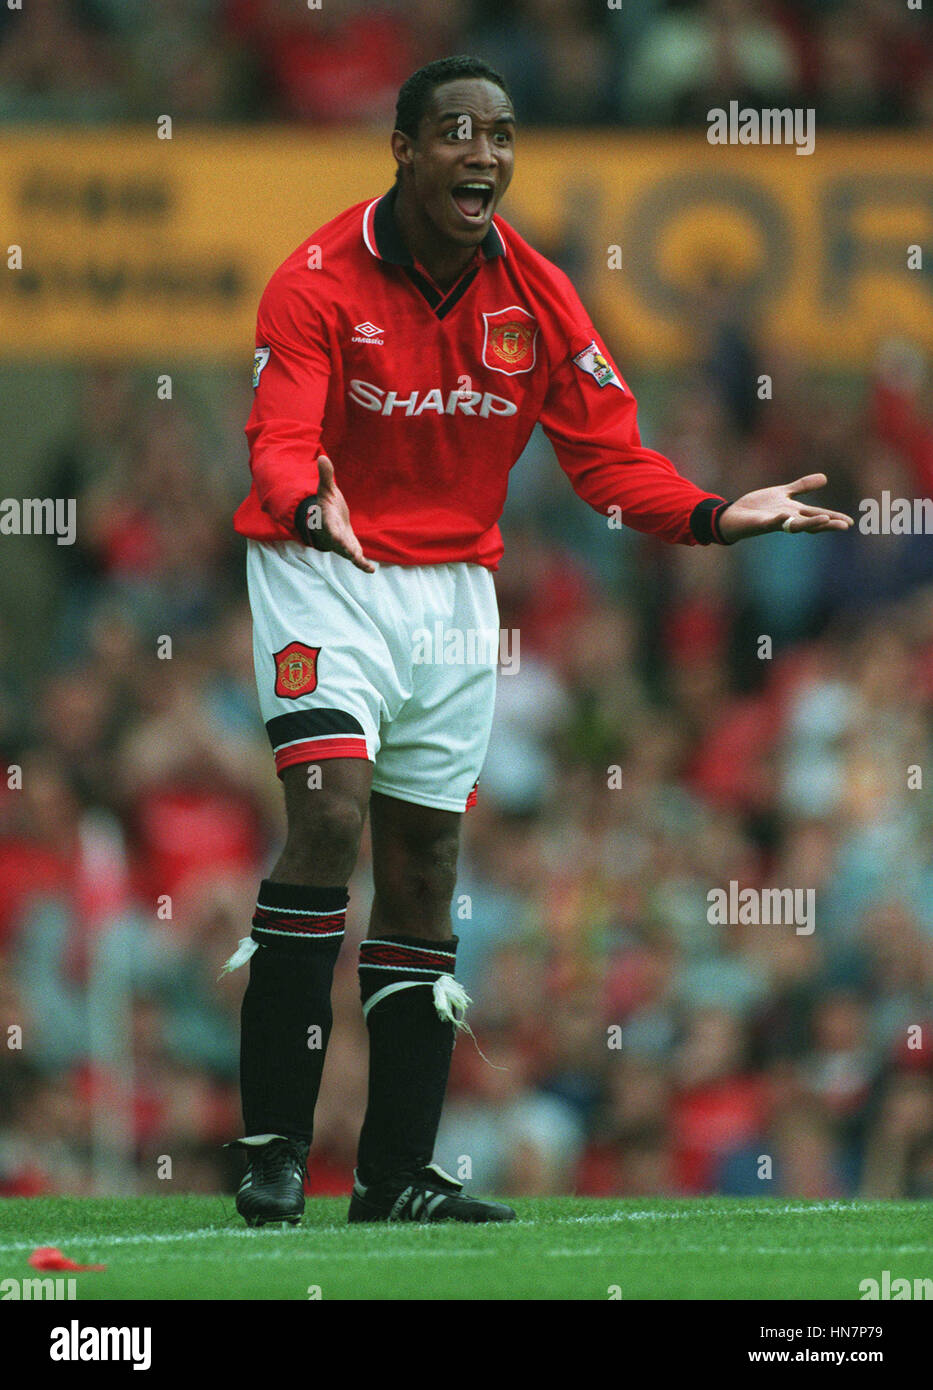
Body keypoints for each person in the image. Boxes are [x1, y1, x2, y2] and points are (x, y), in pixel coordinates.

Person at [227, 54, 853, 1226]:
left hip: (456, 584)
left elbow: (607, 459)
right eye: (457, 131)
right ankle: (272, 1145)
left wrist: (719, 514)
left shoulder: (540, 296)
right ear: (404, 149)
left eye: (502, 134)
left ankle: (396, 1173)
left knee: (423, 870)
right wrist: (315, 503)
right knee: (325, 812)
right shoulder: (314, 279)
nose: (484, 152)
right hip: (324, 568)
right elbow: (278, 433)